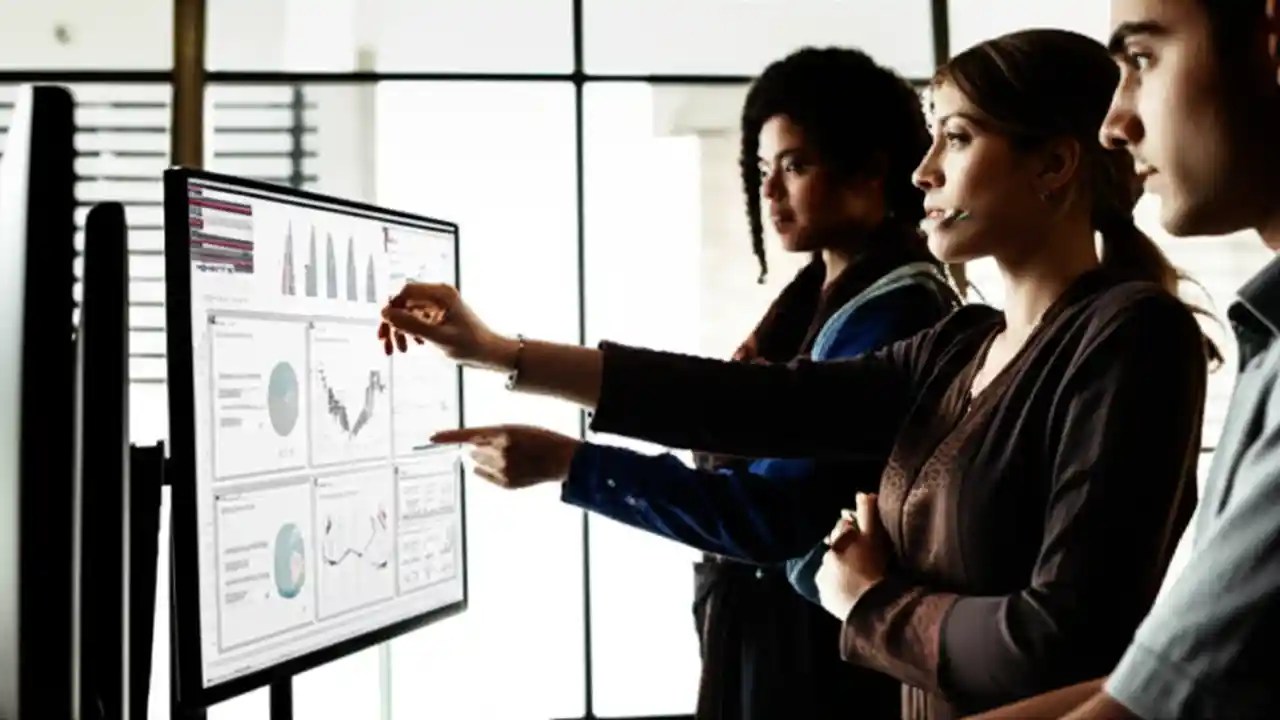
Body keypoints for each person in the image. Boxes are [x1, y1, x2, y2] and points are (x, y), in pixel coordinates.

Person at [379, 28, 1218, 719]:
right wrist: (501, 353)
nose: (923, 171)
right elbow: (755, 404)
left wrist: (870, 600)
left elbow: (1064, 642)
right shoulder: (963, 341)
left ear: (1055, 166)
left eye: (956, 139)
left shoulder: (1129, 334)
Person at [962, 2, 1280, 719]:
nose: (1115, 124)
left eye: (1142, 60)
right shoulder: (1266, 336)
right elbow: (1148, 680)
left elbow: (1143, 701)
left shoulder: (1134, 334)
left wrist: (873, 605)